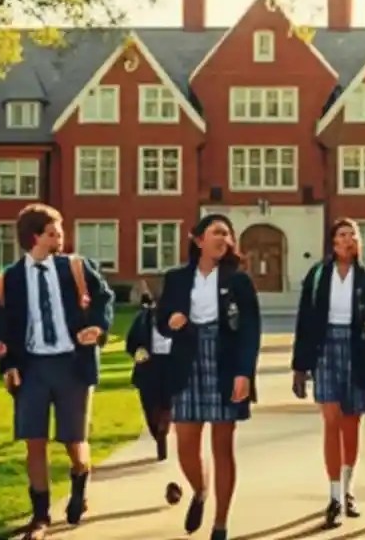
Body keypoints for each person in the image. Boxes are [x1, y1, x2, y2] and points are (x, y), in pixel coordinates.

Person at [0, 203, 115, 540]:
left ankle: (79, 482)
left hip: (72, 364)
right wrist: (5, 361)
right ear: (34, 237)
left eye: (60, 231)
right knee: (34, 442)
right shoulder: (8, 279)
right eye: (53, 232)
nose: (61, 237)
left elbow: (104, 299)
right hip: (33, 368)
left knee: (74, 441)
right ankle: (40, 516)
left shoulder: (76, 267)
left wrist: (97, 329)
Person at [156, 214, 261, 540]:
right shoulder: (176, 278)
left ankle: (220, 523)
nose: (223, 238)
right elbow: (160, 321)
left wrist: (245, 373)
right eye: (216, 232)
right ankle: (200, 491)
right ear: (198, 239)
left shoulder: (239, 280)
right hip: (187, 361)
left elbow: (250, 330)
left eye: (227, 234)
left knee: (222, 446)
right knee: (186, 443)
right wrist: (170, 319)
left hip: (225, 362)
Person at [290, 218, 365, 528]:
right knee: (331, 419)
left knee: (351, 422)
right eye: (342, 235)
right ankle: (332, 495)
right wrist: (300, 367)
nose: (348, 240)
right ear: (333, 243)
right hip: (326, 347)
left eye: (353, 235)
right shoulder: (318, 275)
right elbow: (304, 322)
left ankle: (348, 489)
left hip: (356, 351)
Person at [126, 279, 175, 461]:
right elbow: (131, 343)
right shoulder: (143, 319)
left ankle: (163, 428)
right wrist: (138, 352)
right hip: (149, 367)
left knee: (167, 405)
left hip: (171, 365)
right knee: (150, 408)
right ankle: (158, 432)